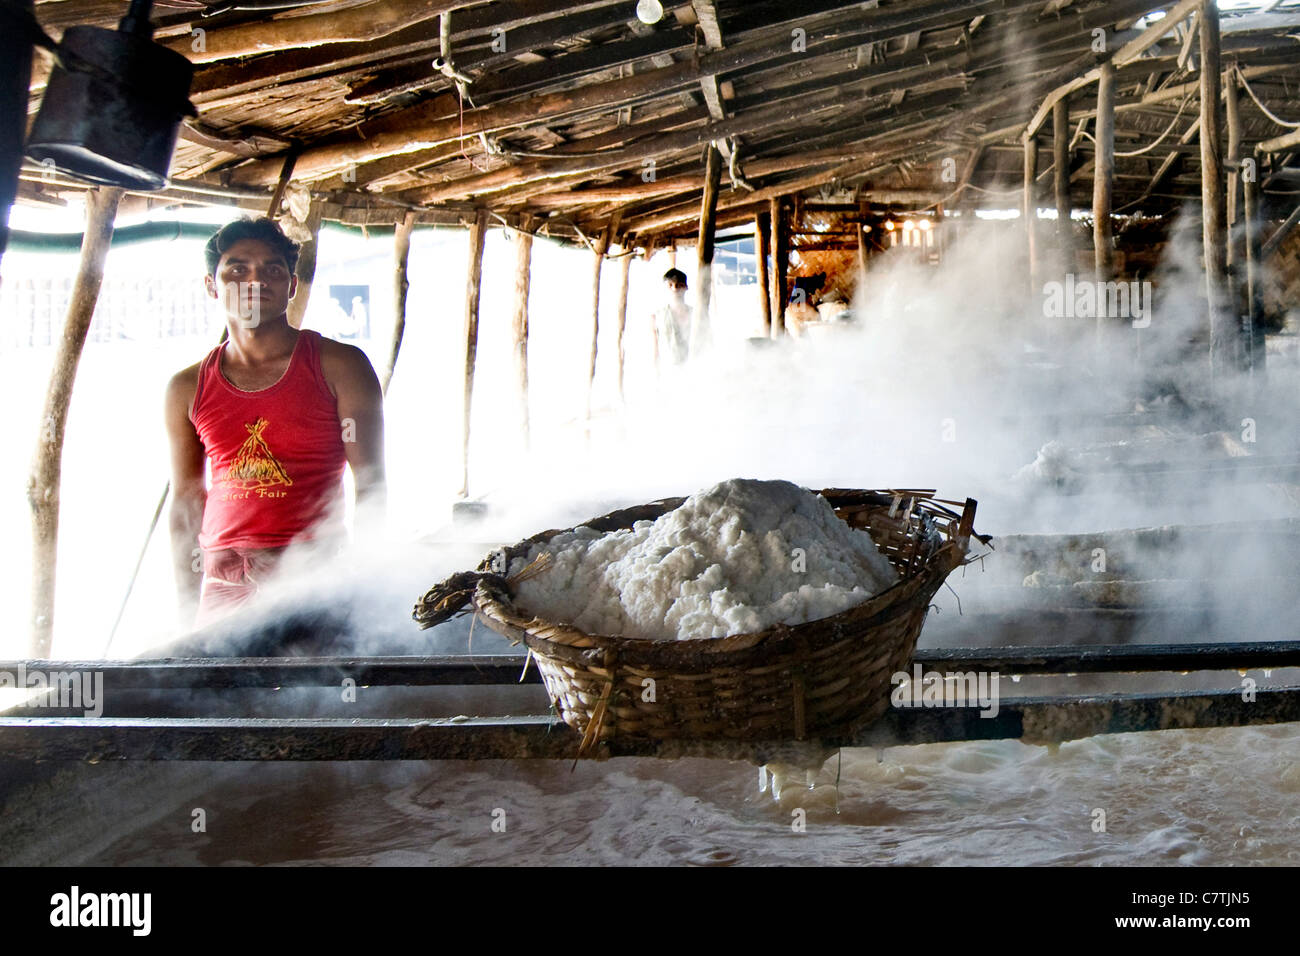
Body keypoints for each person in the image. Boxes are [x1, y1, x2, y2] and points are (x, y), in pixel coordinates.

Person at [164, 217, 386, 629]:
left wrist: (366, 582)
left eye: (272, 269)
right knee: (225, 691)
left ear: (291, 286)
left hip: (316, 574)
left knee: (315, 693)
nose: (256, 279)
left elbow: (371, 483)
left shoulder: (340, 366)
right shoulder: (187, 387)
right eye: (237, 268)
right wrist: (185, 614)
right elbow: (187, 502)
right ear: (212, 287)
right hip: (225, 581)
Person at [652, 268, 692, 367]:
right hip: (668, 371)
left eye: (679, 285)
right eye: (670, 285)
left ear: (686, 287)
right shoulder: (656, 317)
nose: (675, 289)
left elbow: (705, 343)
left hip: (692, 369)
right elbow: (655, 350)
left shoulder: (696, 315)